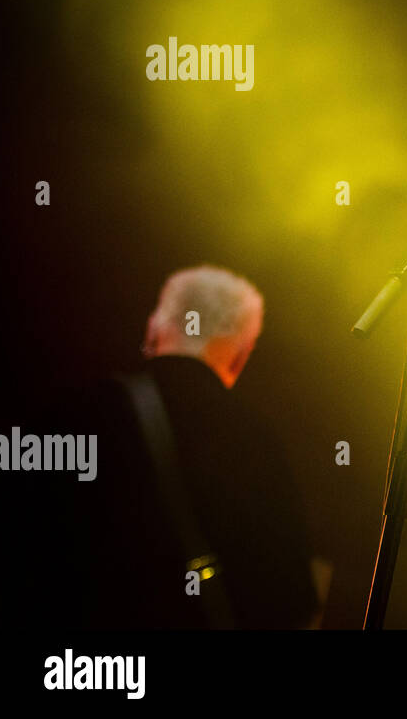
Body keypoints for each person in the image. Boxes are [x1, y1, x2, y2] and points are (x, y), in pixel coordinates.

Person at [56, 265, 320, 628]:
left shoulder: (85, 411)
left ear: (153, 329)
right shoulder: (256, 439)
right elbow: (290, 596)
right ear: (241, 354)